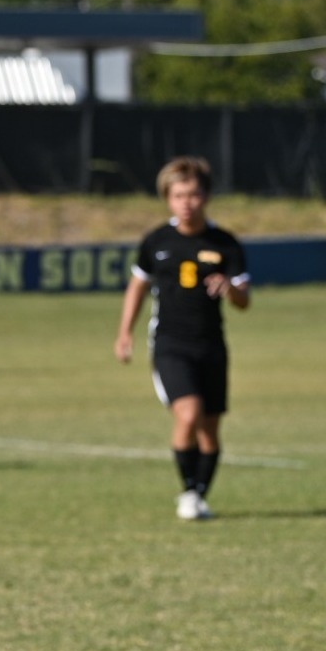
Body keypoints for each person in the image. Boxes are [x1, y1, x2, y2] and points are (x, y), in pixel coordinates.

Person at [114, 156, 251, 521]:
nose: (186, 203)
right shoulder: (157, 241)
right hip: (170, 344)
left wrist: (230, 290)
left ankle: (201, 493)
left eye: (192, 195)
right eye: (178, 196)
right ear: (168, 199)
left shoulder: (225, 244)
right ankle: (188, 492)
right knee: (187, 413)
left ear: (205, 196)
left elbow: (244, 300)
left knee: (210, 430)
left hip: (211, 345)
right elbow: (138, 286)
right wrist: (124, 331)